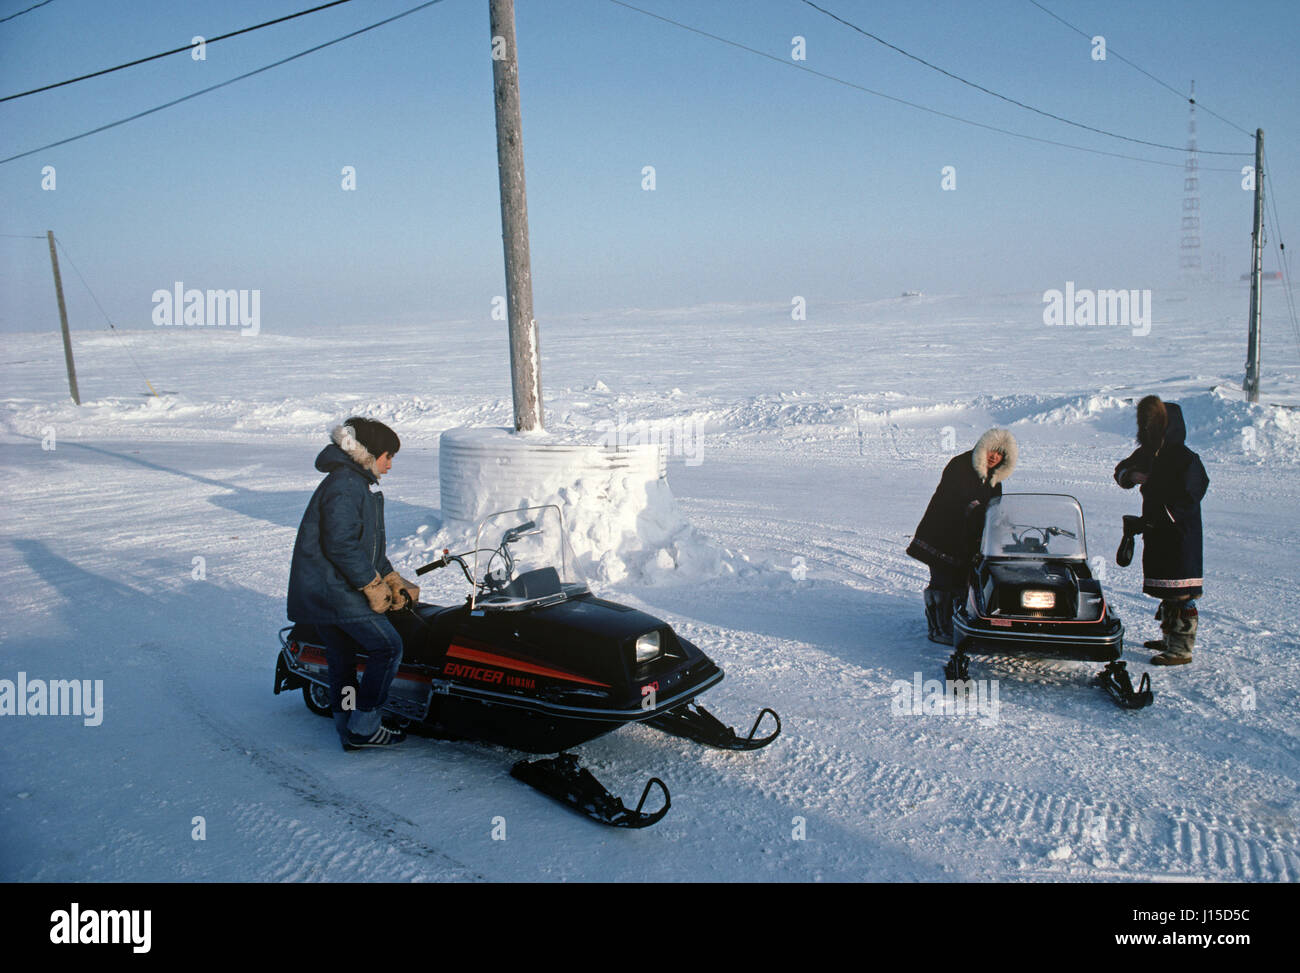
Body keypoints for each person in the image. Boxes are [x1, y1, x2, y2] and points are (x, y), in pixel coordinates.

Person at [287, 417, 422, 749]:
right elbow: (341, 545)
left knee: (342, 657)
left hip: (326, 590)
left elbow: (367, 548)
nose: (390, 465)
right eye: (388, 456)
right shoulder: (347, 484)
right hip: (334, 591)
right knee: (388, 647)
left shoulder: (355, 483)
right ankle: (364, 726)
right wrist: (371, 585)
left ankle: (347, 723)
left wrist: (389, 577)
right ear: (370, 453)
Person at [1113, 396, 1208, 665]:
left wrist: (1165, 508)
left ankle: (1180, 648)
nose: (1149, 430)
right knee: (1167, 589)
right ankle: (1169, 637)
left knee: (1181, 591)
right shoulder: (1146, 453)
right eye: (1146, 425)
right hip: (1157, 532)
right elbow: (1120, 470)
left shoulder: (1185, 457)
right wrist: (1131, 476)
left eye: (1154, 425)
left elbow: (1193, 491)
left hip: (1180, 535)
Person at [906, 428, 1018, 643]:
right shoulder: (960, 465)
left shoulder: (994, 479)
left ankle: (958, 624)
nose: (994, 456)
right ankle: (939, 629)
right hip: (943, 533)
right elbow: (954, 498)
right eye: (991, 451)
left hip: (969, 539)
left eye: (1000, 453)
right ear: (983, 448)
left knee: (965, 582)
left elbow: (995, 507)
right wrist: (973, 508)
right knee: (943, 580)